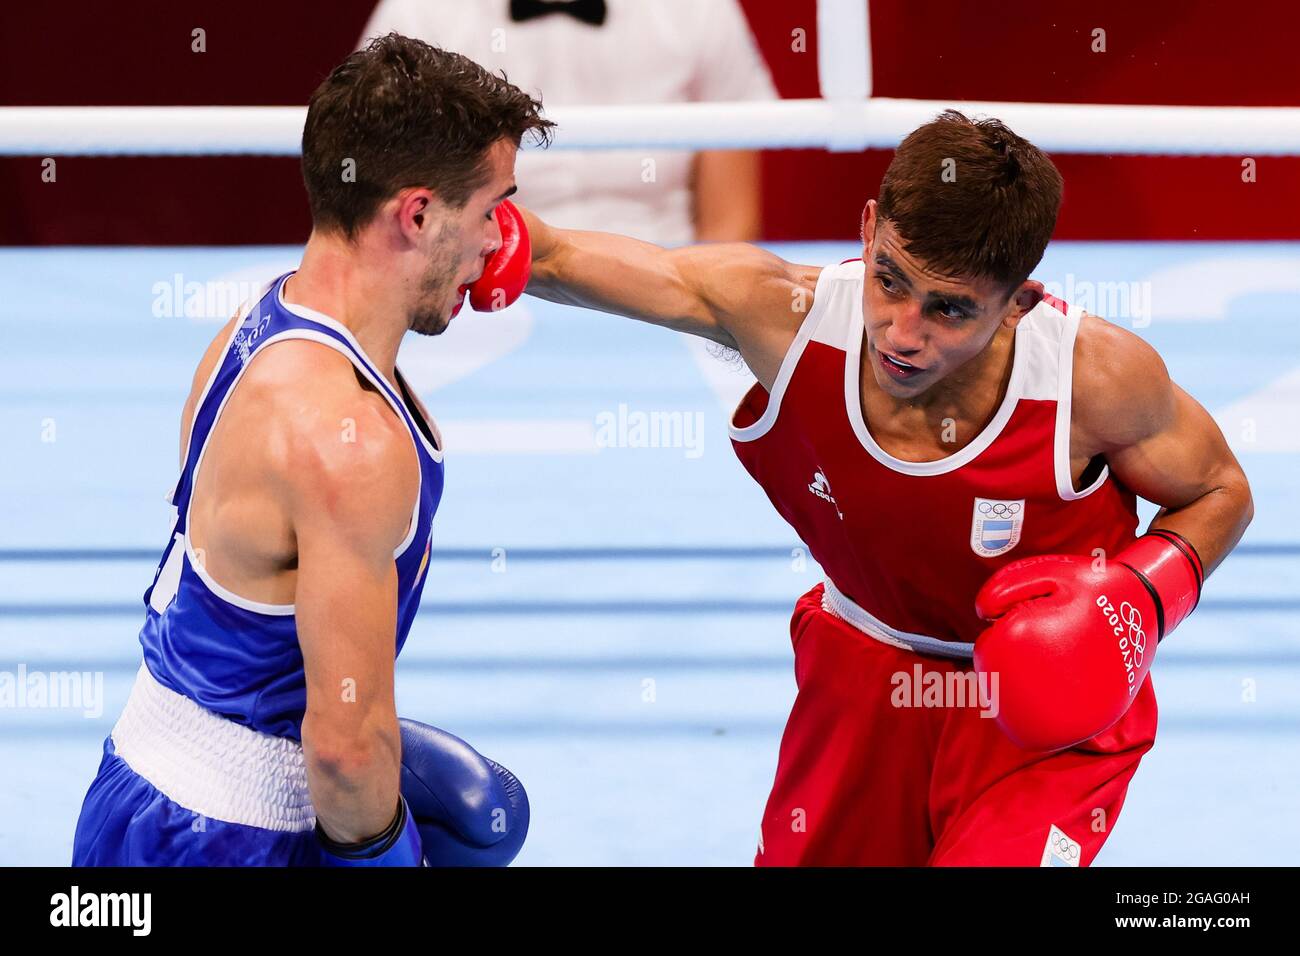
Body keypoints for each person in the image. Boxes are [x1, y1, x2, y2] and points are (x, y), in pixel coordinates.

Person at [515, 109, 1254, 865]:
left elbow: (1221, 490)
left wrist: (1141, 595)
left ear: (1018, 305)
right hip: (861, 678)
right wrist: (449, 215)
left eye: (950, 309)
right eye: (890, 280)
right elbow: (555, 256)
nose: (903, 332)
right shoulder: (785, 318)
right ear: (868, 230)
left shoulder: (1093, 379)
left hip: (1046, 720)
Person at [71, 35, 547, 866]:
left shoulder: (256, 330)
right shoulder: (348, 443)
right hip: (228, 836)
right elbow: (343, 751)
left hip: (141, 784)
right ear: (419, 214)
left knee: (484, 813)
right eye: (490, 211)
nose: (500, 246)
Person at [359, 0, 777, 244]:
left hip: (663, 296)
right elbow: (386, 208)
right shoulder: (418, 12)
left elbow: (730, 224)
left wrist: (691, 314)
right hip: (471, 293)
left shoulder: (701, 11)